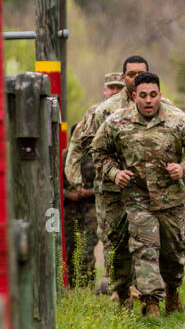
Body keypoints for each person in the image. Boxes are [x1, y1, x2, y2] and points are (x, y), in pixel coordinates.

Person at [91, 70, 185, 316]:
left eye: (153, 95)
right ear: (134, 96)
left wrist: (184, 167)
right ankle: (151, 303)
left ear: (160, 95)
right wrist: (114, 173)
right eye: (143, 95)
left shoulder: (178, 120)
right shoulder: (117, 122)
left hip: (171, 200)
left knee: (173, 253)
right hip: (136, 198)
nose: (148, 100)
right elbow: (98, 151)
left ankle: (173, 290)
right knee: (144, 249)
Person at [65, 56, 156, 301]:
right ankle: (120, 290)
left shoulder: (160, 107)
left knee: (144, 238)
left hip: (145, 188)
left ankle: (144, 290)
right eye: (131, 74)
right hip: (110, 188)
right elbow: (78, 142)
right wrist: (72, 175)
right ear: (124, 77)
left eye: (141, 73)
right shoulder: (104, 110)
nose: (136, 78)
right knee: (113, 240)